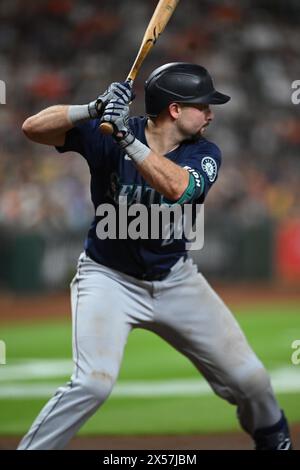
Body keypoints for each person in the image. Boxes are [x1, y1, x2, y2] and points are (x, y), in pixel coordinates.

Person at [18, 63, 292, 450]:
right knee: (92, 384)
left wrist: (128, 142)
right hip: (107, 278)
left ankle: (273, 438)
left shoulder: (204, 151)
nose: (211, 114)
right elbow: (32, 128)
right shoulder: (107, 131)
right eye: (203, 106)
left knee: (252, 381)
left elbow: (179, 187)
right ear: (176, 109)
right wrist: (92, 109)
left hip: (176, 279)